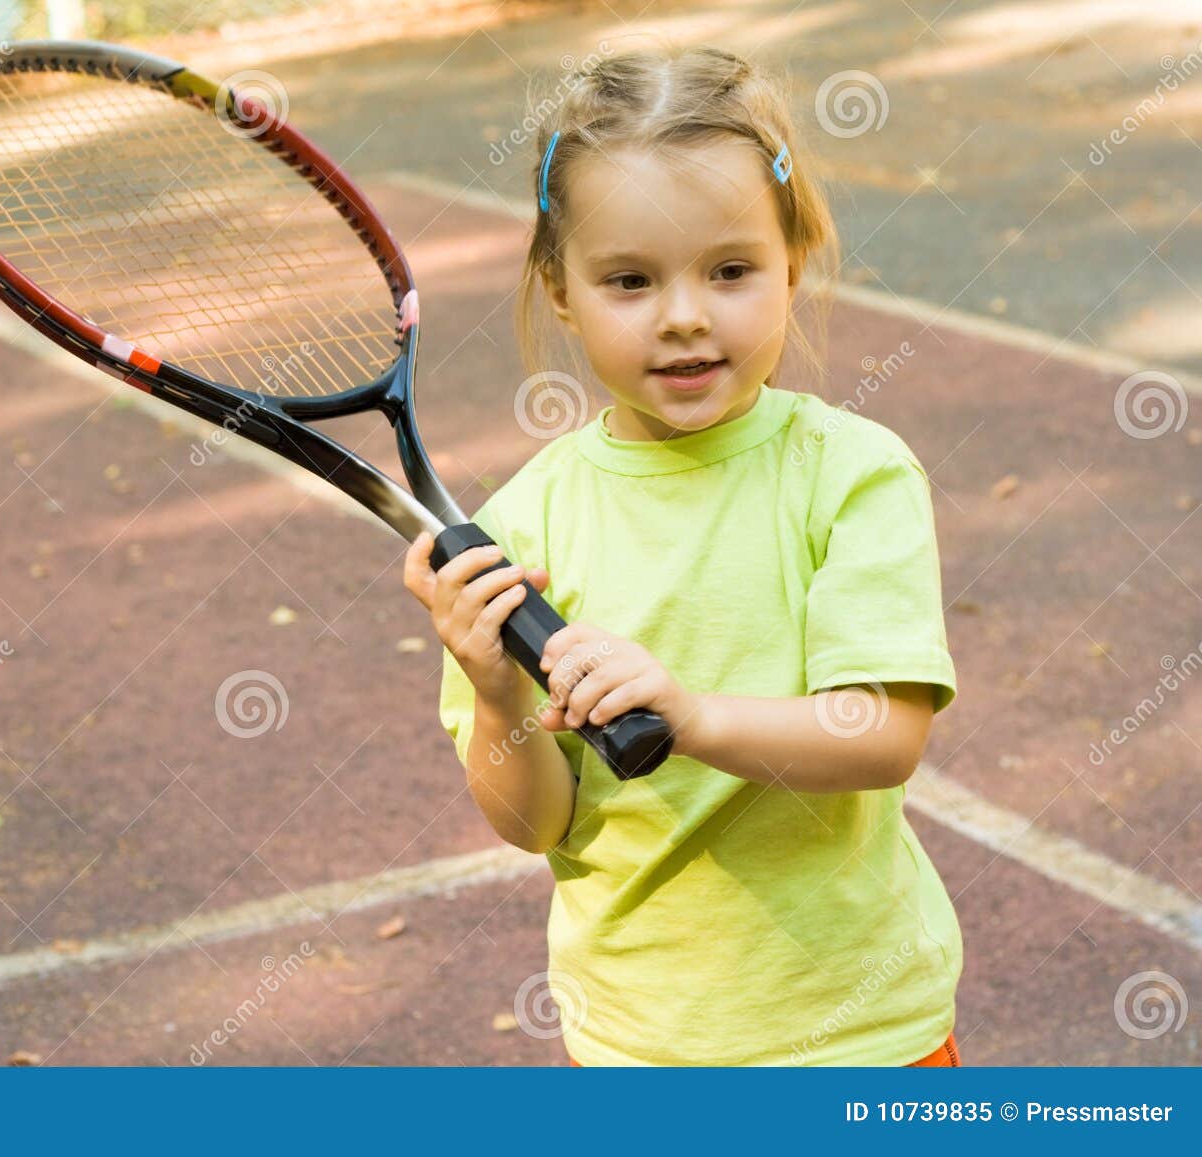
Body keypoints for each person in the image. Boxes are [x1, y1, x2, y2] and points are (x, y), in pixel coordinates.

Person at [401, 44, 962, 1067]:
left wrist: (691, 716)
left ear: (794, 255)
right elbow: (534, 822)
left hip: (864, 1031)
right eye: (629, 279)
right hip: (644, 1041)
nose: (686, 314)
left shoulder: (851, 474)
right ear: (557, 289)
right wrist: (492, 691)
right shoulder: (522, 528)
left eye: (731, 269)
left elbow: (883, 734)